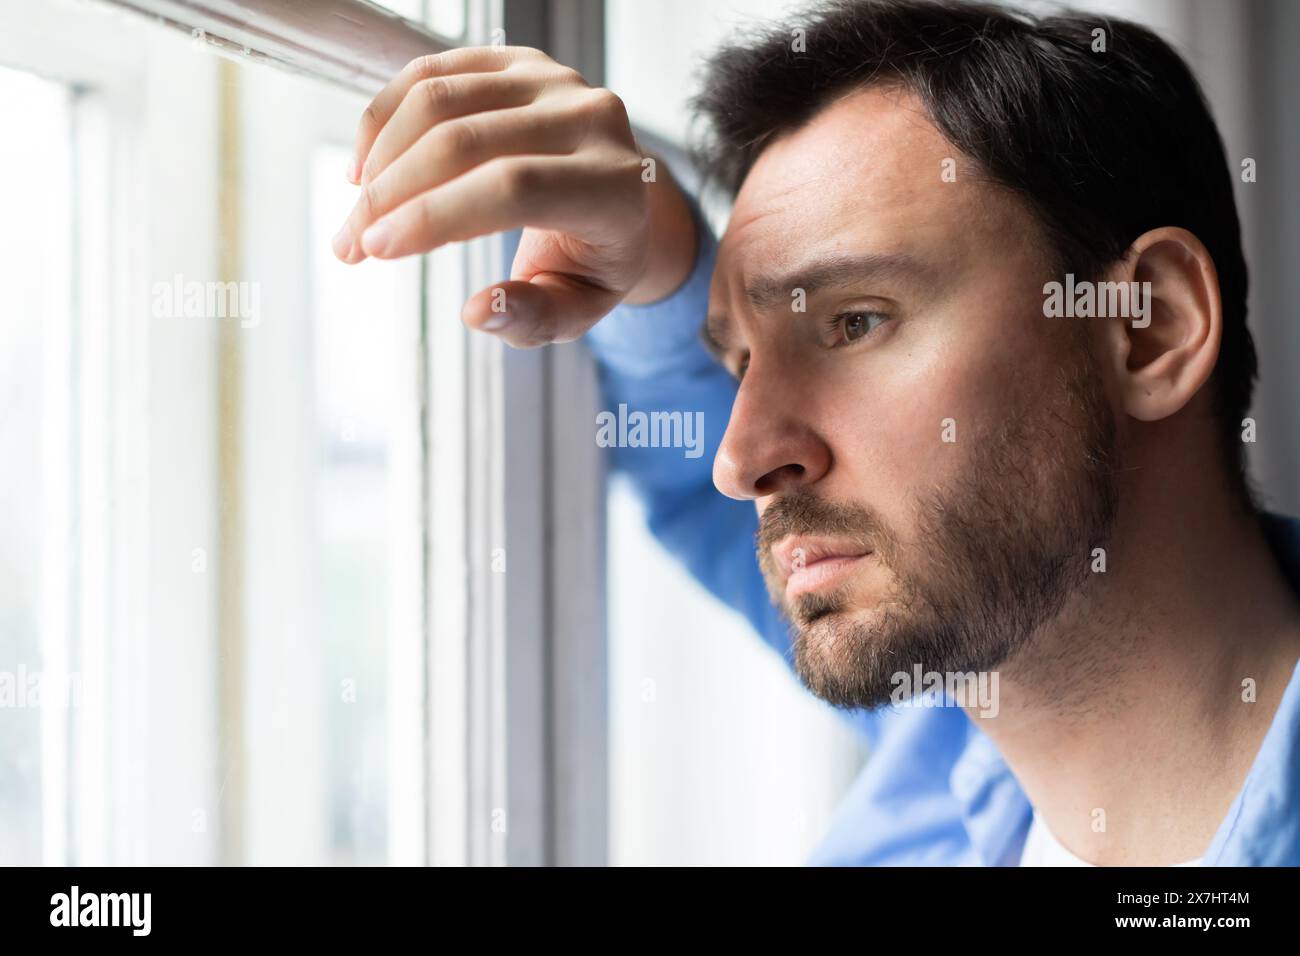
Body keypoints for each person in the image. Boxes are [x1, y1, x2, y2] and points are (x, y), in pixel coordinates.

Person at [332, 0, 1300, 865]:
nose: (738, 459)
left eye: (854, 322)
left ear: (1148, 327)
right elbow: (688, 459)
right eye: (740, 361)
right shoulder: (953, 727)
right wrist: (653, 250)